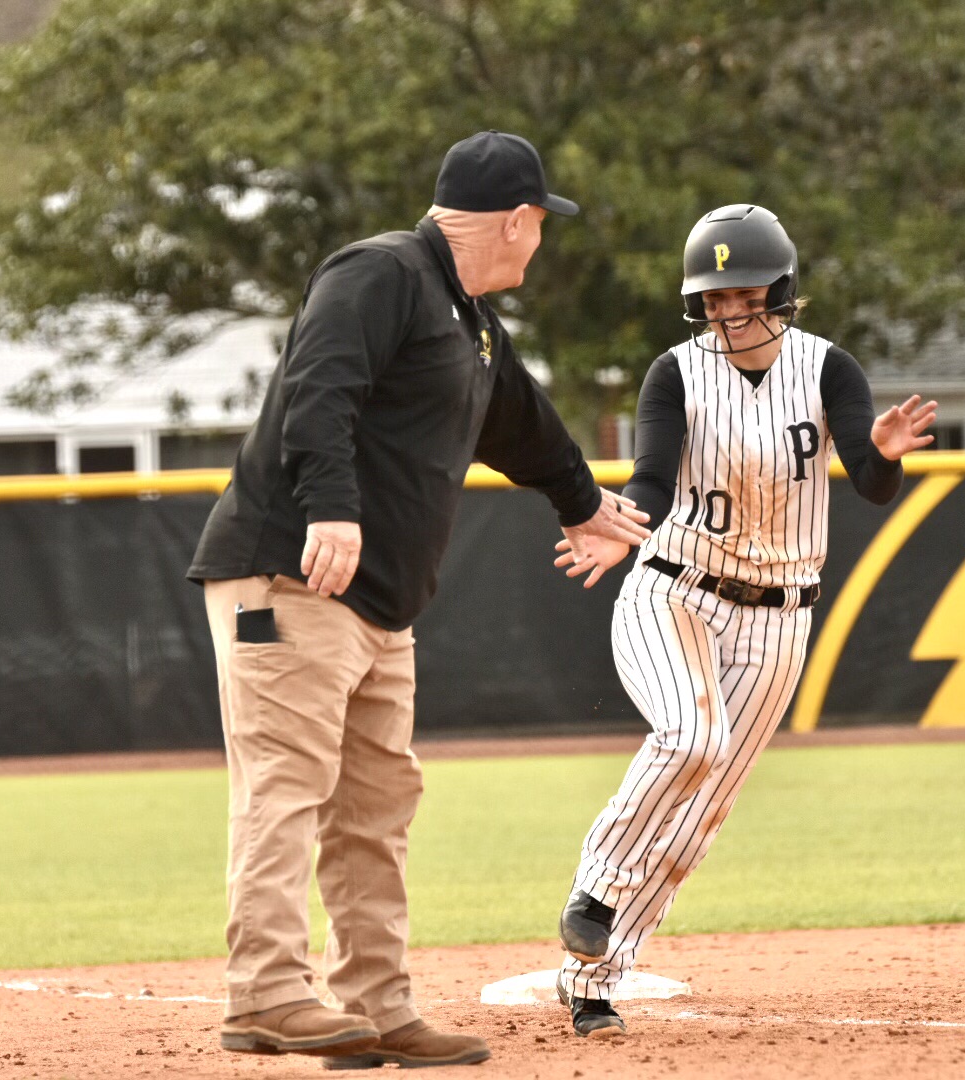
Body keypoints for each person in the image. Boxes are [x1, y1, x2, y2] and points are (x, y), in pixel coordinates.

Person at [186, 130, 651, 1069]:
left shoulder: (466, 320)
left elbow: (522, 425)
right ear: (515, 221)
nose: (540, 241)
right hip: (292, 577)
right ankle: (265, 993)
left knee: (376, 806)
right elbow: (319, 386)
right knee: (287, 783)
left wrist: (582, 504)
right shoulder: (382, 272)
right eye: (540, 223)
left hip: (377, 607)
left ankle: (376, 1004)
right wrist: (331, 506)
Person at [549, 204, 936, 1038]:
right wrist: (621, 529)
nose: (728, 309)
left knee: (697, 819)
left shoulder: (828, 369)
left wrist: (884, 454)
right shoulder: (675, 373)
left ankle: (591, 983)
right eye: (714, 297)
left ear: (782, 292)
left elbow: (870, 483)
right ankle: (596, 890)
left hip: (780, 616)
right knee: (692, 738)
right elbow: (653, 481)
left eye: (745, 293)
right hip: (674, 592)